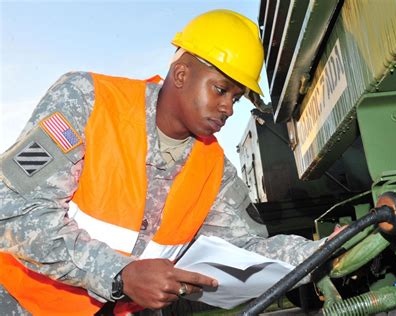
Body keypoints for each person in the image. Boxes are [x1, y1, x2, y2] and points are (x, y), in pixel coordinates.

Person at [0, 9, 325, 315]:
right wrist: (119, 275)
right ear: (181, 74)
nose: (228, 108)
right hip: (20, 303)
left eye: (236, 98)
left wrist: (336, 244)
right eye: (221, 89)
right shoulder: (88, 100)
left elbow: (249, 253)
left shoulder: (214, 169)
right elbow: (15, 209)